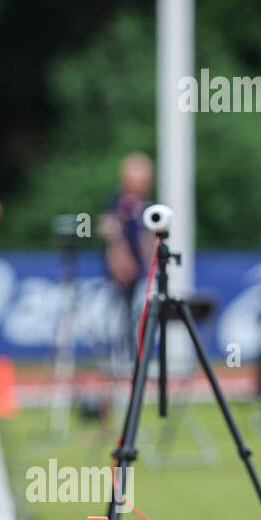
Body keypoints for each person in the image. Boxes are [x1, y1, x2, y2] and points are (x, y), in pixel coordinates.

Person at [99, 152, 155, 367]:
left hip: (141, 274)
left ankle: (138, 360)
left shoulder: (147, 205)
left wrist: (146, 264)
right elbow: (109, 232)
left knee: (139, 319)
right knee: (120, 318)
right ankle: (119, 362)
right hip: (119, 274)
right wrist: (121, 262)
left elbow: (148, 240)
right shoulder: (115, 202)